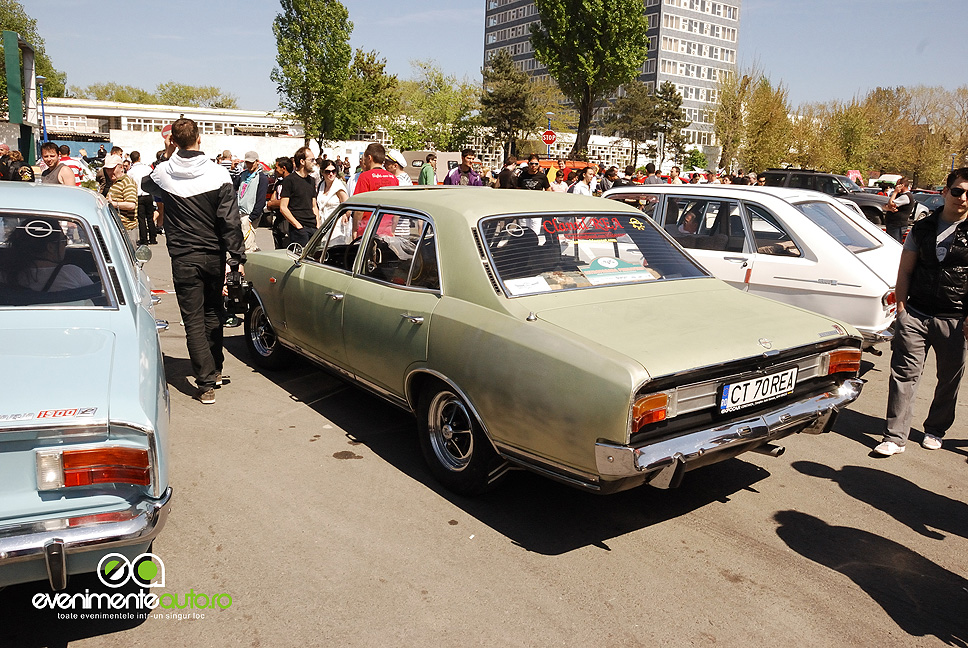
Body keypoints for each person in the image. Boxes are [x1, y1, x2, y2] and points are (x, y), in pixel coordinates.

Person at [142, 117, 245, 405]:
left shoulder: (163, 172)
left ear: (173, 141)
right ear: (200, 138)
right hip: (212, 254)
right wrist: (236, 258)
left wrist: (167, 152)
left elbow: (146, 183)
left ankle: (205, 382)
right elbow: (230, 222)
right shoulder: (219, 174)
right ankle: (216, 368)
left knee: (193, 320)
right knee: (213, 312)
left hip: (183, 256)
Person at [874, 168, 968, 456]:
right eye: (957, 191)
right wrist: (902, 308)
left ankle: (936, 429)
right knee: (904, 374)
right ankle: (895, 436)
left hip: (955, 318)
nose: (963, 198)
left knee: (949, 377)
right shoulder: (923, 228)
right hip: (916, 312)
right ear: (945, 192)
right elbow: (905, 269)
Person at [0, 218, 94, 294]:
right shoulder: (73, 274)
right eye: (63, 240)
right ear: (50, 247)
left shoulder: (6, 276)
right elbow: (96, 300)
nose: (65, 244)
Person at [351, 142, 399, 236]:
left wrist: (355, 230)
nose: (364, 161)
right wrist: (393, 230)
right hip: (386, 233)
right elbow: (397, 209)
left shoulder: (365, 177)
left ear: (369, 158)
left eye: (364, 158)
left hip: (366, 233)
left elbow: (359, 208)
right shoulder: (393, 179)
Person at [279, 147, 319, 247]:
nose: (314, 163)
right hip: (299, 229)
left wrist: (318, 226)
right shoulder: (290, 180)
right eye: (311, 160)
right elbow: (283, 207)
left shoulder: (311, 181)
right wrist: (298, 226)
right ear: (302, 161)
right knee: (300, 260)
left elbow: (314, 206)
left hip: (313, 228)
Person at [235, 151, 269, 253]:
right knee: (243, 242)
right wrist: (234, 170)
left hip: (250, 214)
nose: (249, 165)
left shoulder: (262, 178)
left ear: (257, 162)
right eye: (247, 163)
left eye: (251, 163)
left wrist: (252, 217)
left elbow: (261, 200)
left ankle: (248, 265)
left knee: (247, 246)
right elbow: (233, 186)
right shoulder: (243, 175)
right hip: (240, 212)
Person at [103, 154, 139, 248]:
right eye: (107, 169)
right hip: (117, 229)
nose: (109, 172)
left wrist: (113, 204)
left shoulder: (127, 182)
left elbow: (131, 205)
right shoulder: (115, 182)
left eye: (112, 169)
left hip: (126, 230)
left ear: (121, 167)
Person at [126, 151, 157, 245]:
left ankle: (144, 239)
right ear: (139, 157)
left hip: (138, 196)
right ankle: (153, 237)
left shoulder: (130, 172)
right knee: (150, 217)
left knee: (141, 218)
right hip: (148, 194)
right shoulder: (147, 168)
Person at [316, 159, 349, 238]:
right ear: (322, 172)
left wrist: (345, 215)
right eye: (328, 172)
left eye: (333, 171)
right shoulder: (321, 185)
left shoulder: (338, 187)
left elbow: (348, 205)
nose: (331, 174)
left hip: (336, 227)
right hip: (323, 224)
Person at [267, 157, 293, 249]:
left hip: (287, 222)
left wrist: (275, 203)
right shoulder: (278, 183)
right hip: (277, 221)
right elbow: (270, 202)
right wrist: (273, 203)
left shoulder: (292, 182)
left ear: (284, 168)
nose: (275, 170)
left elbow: (288, 202)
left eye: (277, 168)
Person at [885, 176, 916, 242]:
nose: (895, 186)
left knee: (894, 244)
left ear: (902, 185)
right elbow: (886, 206)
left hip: (897, 225)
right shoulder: (900, 195)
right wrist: (890, 209)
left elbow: (891, 204)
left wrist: (895, 192)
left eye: (897, 185)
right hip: (892, 224)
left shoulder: (906, 197)